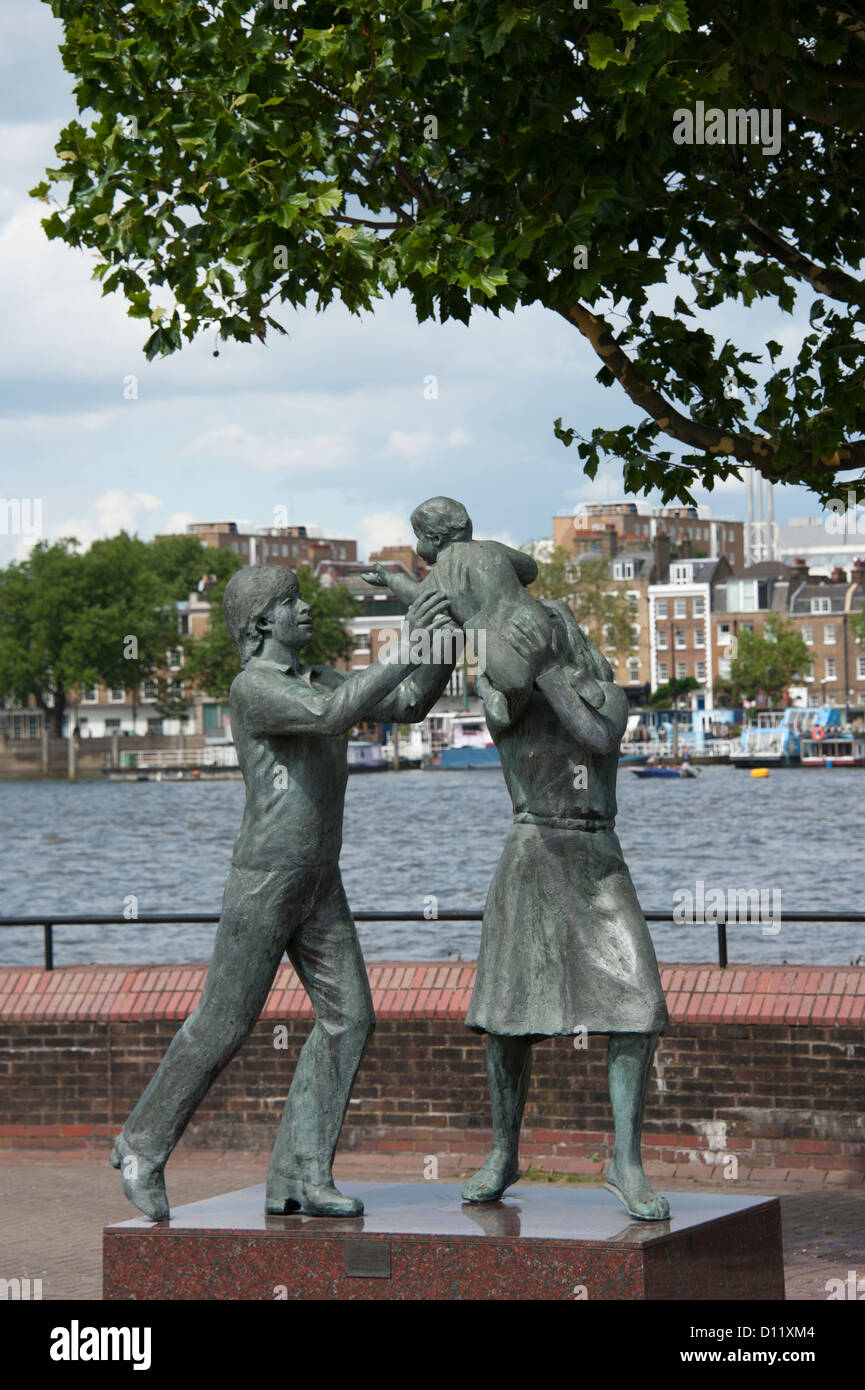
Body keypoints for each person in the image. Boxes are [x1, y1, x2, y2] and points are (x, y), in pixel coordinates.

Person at [111, 565, 455, 1221]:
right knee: (224, 1024)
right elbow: (331, 717)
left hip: (319, 877)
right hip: (267, 876)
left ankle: (299, 1175)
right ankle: (141, 1144)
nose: (306, 610)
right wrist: (405, 645)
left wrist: (441, 639)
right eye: (291, 602)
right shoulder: (253, 689)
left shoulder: (323, 677)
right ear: (262, 621)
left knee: (350, 1018)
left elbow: (407, 704)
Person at [461, 600, 670, 1221]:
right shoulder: (506, 693)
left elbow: (598, 735)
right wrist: (505, 654)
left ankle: (625, 1162)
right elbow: (504, 711)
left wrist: (550, 668)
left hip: (596, 855)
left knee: (638, 1004)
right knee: (507, 1019)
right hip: (530, 854)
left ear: (564, 636)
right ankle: (504, 1151)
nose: (523, 641)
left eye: (535, 631)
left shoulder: (605, 694)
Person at [362, 496, 604, 726]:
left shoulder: (446, 572)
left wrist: (390, 580)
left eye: (418, 538)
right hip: (535, 624)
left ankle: (491, 693)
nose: (417, 546)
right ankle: (573, 674)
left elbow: (419, 597)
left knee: (496, 674)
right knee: (549, 658)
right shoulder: (493, 549)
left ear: (435, 539)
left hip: (504, 646)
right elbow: (530, 570)